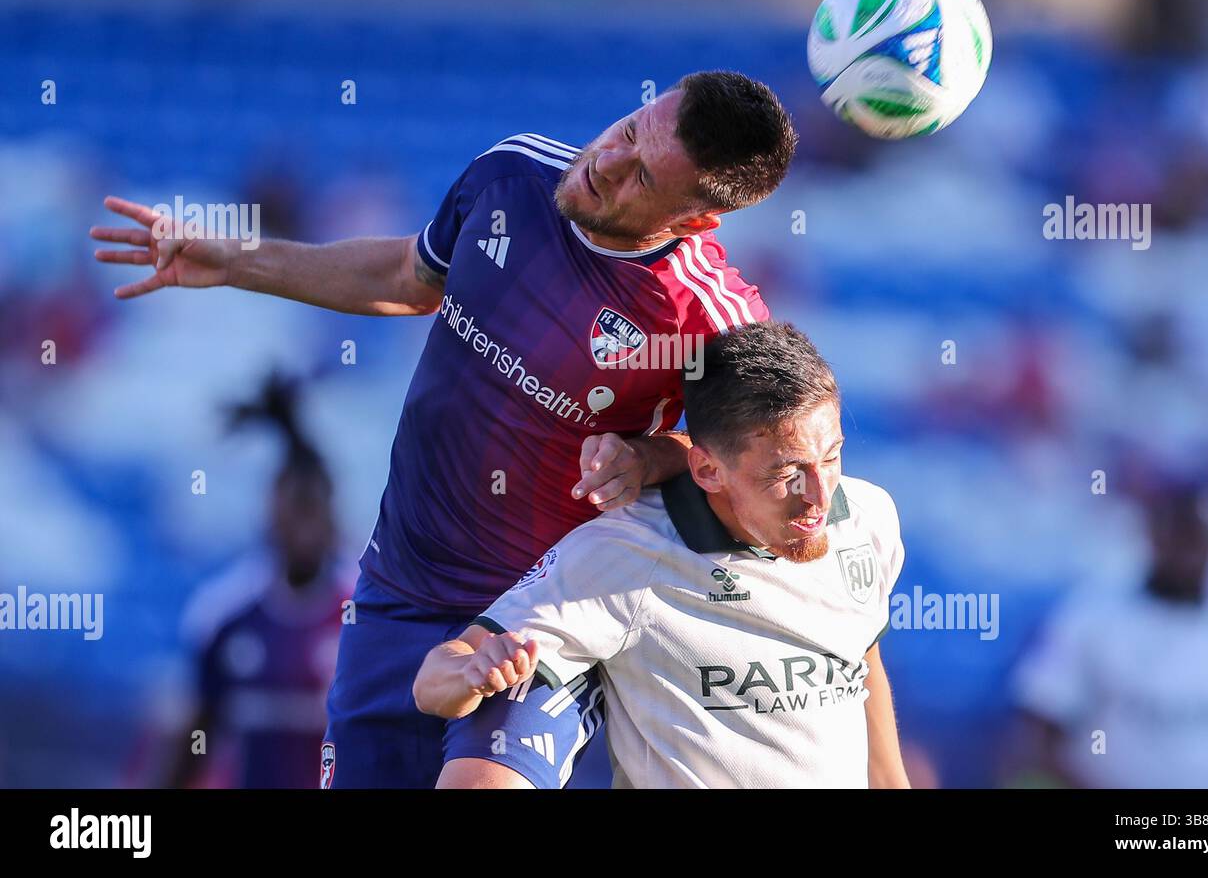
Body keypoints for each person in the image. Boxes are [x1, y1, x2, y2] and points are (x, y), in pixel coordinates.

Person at [90, 71, 797, 788]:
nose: (605, 163)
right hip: (396, 592)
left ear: (695, 221)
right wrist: (234, 261)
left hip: (537, 619)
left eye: (641, 176)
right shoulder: (510, 177)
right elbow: (407, 277)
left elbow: (742, 475)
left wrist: (650, 456)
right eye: (626, 131)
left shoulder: (715, 320)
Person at [413, 321, 912, 788]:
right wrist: (472, 675)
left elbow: (860, 655)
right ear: (707, 470)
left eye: (831, 457)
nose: (820, 497)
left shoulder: (870, 517)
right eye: (785, 476)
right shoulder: (624, 553)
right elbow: (432, 682)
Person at [1010, 481, 1208, 788]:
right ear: (1152, 535)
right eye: (1178, 534)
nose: (1188, 551)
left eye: (1197, 536)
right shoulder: (1094, 615)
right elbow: (1039, 729)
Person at [169, 373, 350, 789]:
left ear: (332, 517)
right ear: (270, 513)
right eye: (293, 509)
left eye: (314, 510)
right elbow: (194, 741)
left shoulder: (364, 617)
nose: (304, 527)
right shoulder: (225, 615)